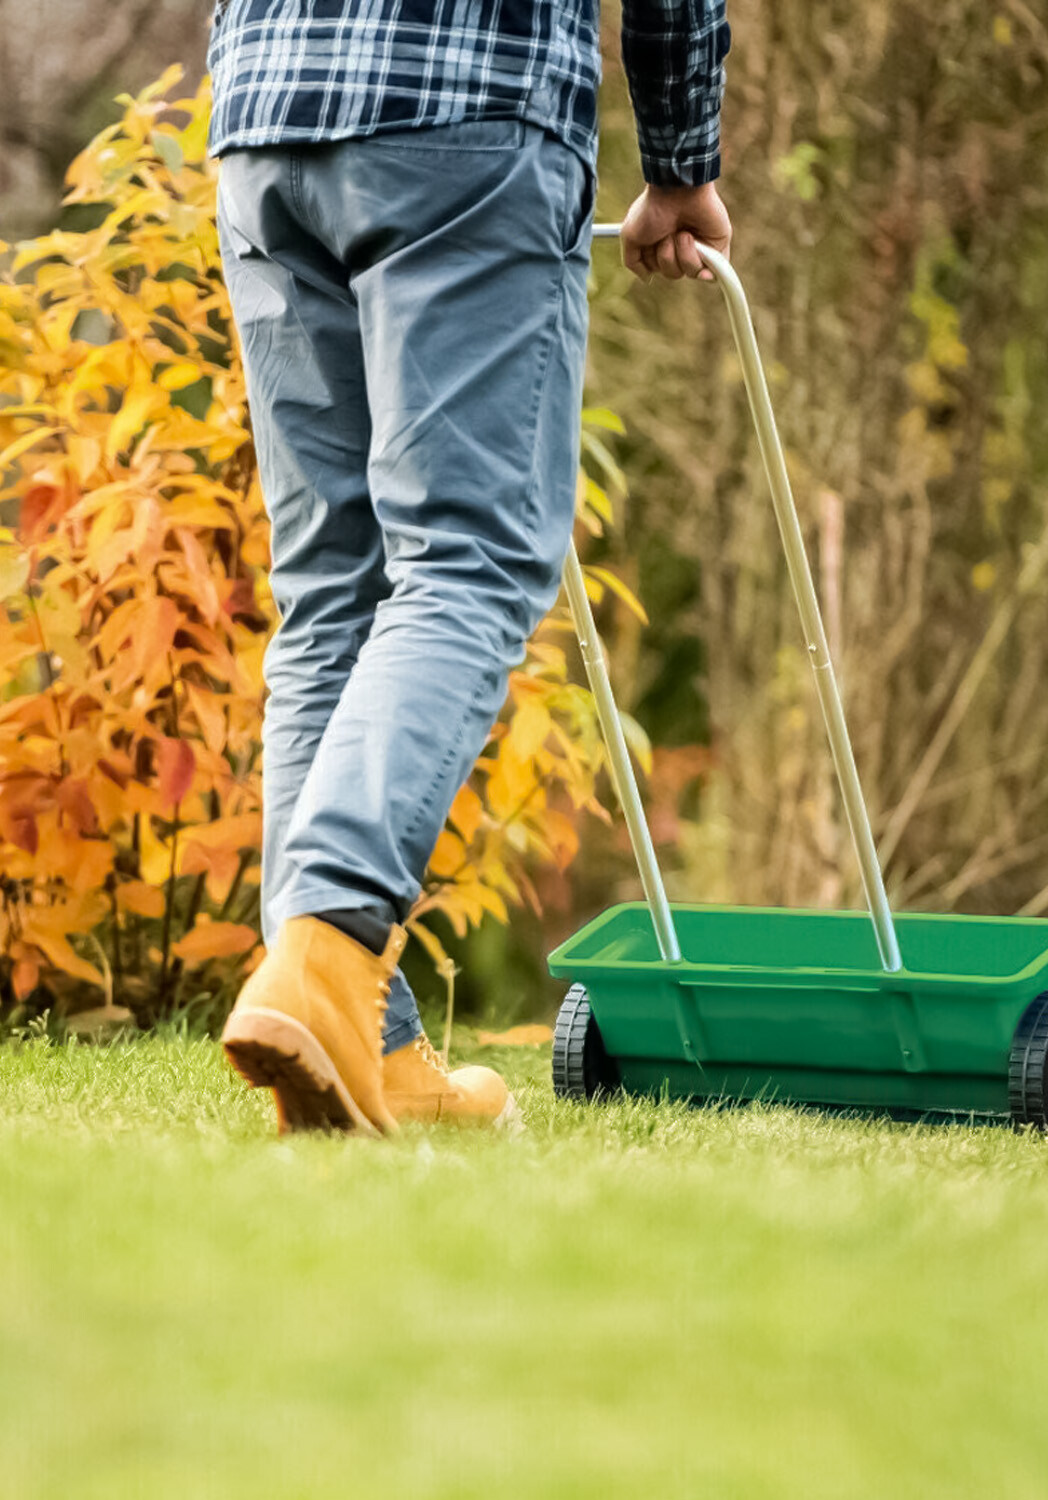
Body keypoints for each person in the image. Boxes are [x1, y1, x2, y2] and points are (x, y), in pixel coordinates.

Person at [210, 0, 732, 1135]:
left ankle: (369, 1044)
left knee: (330, 589)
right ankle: (328, 958)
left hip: (265, 108)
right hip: (465, 106)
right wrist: (682, 163)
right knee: (470, 559)